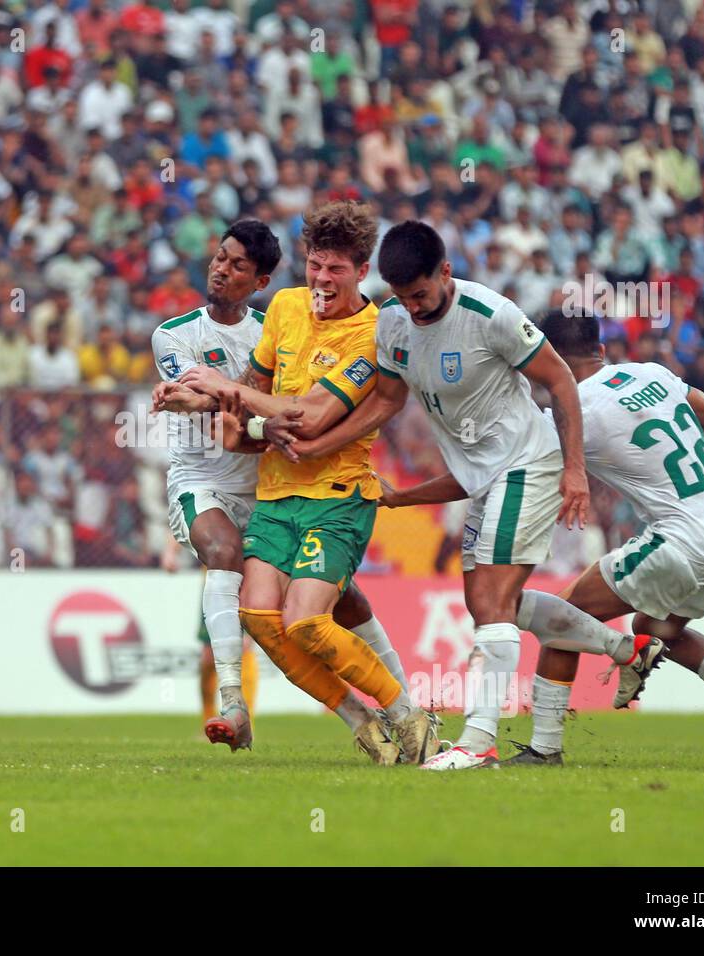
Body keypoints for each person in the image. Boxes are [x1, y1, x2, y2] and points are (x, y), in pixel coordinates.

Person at [267, 219, 590, 770]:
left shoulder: (492, 316)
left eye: (420, 294)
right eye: (401, 298)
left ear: (445, 272)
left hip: (527, 463)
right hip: (477, 480)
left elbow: (559, 379)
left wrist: (576, 469)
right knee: (485, 602)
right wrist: (323, 442)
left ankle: (479, 740)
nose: (413, 309)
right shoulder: (392, 324)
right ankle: (618, 647)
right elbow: (386, 403)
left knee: (491, 600)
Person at [151, 218, 430, 757]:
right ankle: (352, 721)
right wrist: (252, 419)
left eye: (337, 269)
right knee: (258, 614)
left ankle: (410, 714)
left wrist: (226, 396)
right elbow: (244, 423)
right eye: (316, 265)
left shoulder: (373, 332)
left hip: (334, 491)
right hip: (268, 488)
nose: (323, 279)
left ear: (363, 272)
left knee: (315, 617)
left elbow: (311, 415)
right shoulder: (281, 310)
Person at [504, 313, 704, 767]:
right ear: (600, 351)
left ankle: (545, 748)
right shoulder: (650, 372)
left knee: (563, 615)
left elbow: (517, 470)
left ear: (548, 362)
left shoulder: (572, 411)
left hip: (685, 541)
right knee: (653, 630)